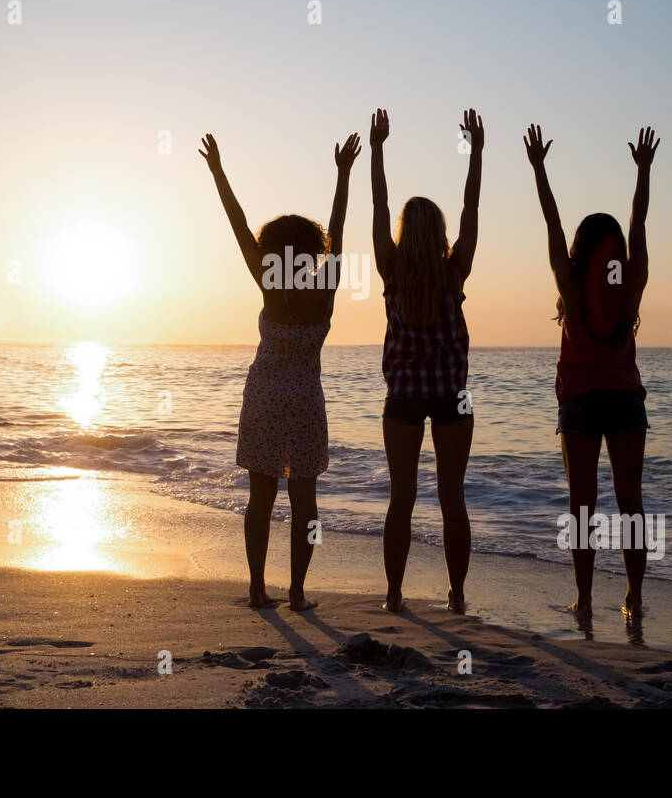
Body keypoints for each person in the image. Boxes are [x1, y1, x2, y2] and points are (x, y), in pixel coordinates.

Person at [200, 130, 360, 611]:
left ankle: (256, 588)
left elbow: (238, 224)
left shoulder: (267, 282)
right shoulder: (325, 287)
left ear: (273, 249)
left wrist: (218, 173)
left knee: (261, 497)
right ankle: (296, 592)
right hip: (305, 401)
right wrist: (344, 174)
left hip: (265, 395)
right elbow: (340, 228)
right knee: (305, 501)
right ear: (314, 250)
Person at [526, 123, 659, 629]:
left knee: (582, 506)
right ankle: (634, 597)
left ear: (582, 249)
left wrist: (539, 169)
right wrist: (643, 171)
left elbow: (552, 223)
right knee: (631, 503)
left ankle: (583, 600)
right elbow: (639, 221)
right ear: (617, 250)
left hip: (580, 399)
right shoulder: (631, 284)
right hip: (625, 399)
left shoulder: (570, 280)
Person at [371, 108, 482, 614]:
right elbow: (470, 211)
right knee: (451, 498)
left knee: (402, 499)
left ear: (403, 233)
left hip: (403, 399)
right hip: (453, 397)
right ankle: (456, 593)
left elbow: (378, 206)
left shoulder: (391, 269)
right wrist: (476, 153)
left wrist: (376, 150)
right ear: (437, 231)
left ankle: (395, 593)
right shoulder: (453, 270)